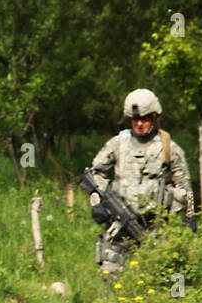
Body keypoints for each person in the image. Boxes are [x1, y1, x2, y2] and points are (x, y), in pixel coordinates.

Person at [84, 88, 195, 274]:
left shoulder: (168, 148)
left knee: (159, 274)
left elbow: (184, 184)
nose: (140, 124)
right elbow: (95, 173)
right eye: (135, 119)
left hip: (155, 227)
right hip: (119, 224)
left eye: (145, 119)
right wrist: (97, 203)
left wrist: (189, 215)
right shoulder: (118, 143)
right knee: (110, 274)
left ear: (154, 117)